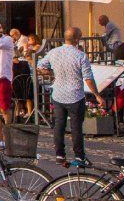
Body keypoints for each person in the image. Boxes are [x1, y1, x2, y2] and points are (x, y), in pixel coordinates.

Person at [37, 28, 100, 168]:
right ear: (77, 39)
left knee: (59, 125)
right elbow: (88, 78)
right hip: (75, 95)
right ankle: (79, 156)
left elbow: (40, 66)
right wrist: (96, 94)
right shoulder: (80, 56)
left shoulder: (54, 52)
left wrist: (51, 73)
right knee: (76, 127)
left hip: (58, 93)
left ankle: (59, 154)